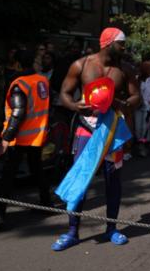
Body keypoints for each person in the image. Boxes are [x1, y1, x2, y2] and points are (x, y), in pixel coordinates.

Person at [52, 27, 141, 251]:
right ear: (108, 43)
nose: (124, 47)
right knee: (81, 179)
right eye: (121, 43)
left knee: (113, 181)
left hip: (112, 131)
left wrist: (125, 104)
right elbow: (64, 93)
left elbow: (136, 97)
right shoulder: (81, 65)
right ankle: (72, 231)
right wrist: (74, 105)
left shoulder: (126, 69)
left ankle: (111, 228)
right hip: (85, 130)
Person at [0, 49, 52, 231]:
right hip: (37, 134)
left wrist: (6, 138)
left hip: (20, 137)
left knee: (7, 176)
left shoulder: (20, 83)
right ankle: (46, 203)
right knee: (37, 169)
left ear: (17, 63)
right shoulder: (42, 80)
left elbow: (18, 112)